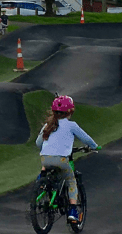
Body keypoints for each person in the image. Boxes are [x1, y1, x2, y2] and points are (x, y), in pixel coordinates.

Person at [35, 95, 100, 223]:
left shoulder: (48, 125)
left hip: (45, 159)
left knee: (49, 169)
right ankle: (72, 210)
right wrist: (94, 146)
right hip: (61, 160)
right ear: (70, 111)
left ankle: (41, 184)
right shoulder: (71, 125)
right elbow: (86, 138)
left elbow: (38, 143)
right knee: (71, 181)